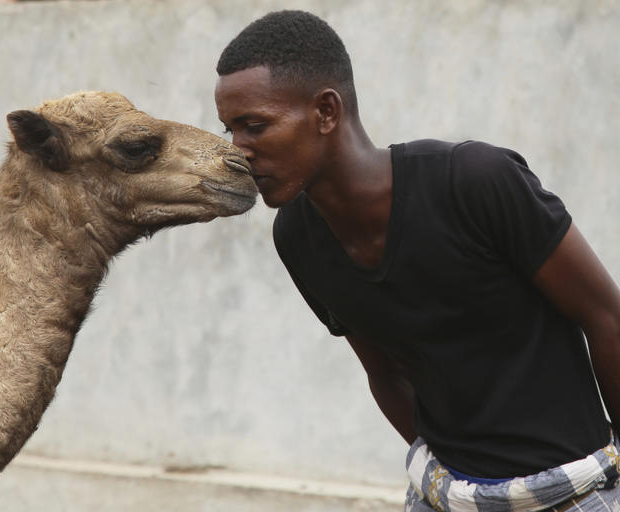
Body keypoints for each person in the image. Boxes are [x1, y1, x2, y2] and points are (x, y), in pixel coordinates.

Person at [214, 10, 620, 512]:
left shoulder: (473, 182)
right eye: (230, 129)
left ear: (325, 112)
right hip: (444, 496)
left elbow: (607, 318)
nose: (237, 151)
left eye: (254, 126)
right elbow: (383, 372)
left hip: (574, 492)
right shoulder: (297, 237)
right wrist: (452, 479)